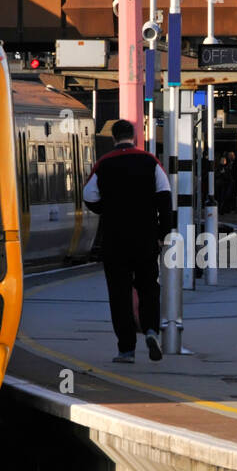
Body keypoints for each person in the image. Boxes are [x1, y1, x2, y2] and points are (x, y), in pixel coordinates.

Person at [83, 120, 173, 364]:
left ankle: (126, 349)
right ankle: (152, 330)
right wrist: (163, 232)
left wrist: (108, 209)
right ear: (134, 136)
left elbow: (88, 196)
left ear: (114, 138)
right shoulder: (150, 161)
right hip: (145, 236)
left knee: (119, 293)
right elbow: (165, 197)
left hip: (115, 238)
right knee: (148, 287)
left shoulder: (104, 164)